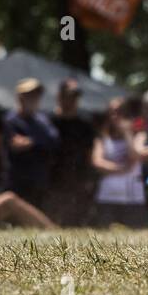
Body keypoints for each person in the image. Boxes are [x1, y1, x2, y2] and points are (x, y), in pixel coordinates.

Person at [93, 96, 148, 229]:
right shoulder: (103, 137)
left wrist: (127, 134)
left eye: (119, 112)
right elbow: (97, 161)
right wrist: (120, 169)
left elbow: (135, 156)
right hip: (107, 196)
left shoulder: (139, 135)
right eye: (112, 112)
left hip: (133, 198)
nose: (115, 116)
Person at [3, 78, 60, 210]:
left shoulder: (43, 120)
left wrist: (31, 141)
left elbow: (54, 141)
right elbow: (16, 145)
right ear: (20, 97)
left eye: (36, 95)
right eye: (30, 95)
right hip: (17, 182)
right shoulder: (10, 120)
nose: (34, 99)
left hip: (40, 182)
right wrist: (40, 141)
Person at [46, 79, 97, 226]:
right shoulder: (48, 121)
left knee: (75, 219)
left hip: (77, 177)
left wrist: (89, 176)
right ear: (59, 97)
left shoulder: (85, 123)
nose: (72, 100)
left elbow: (89, 152)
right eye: (69, 96)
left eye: (75, 96)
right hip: (51, 177)